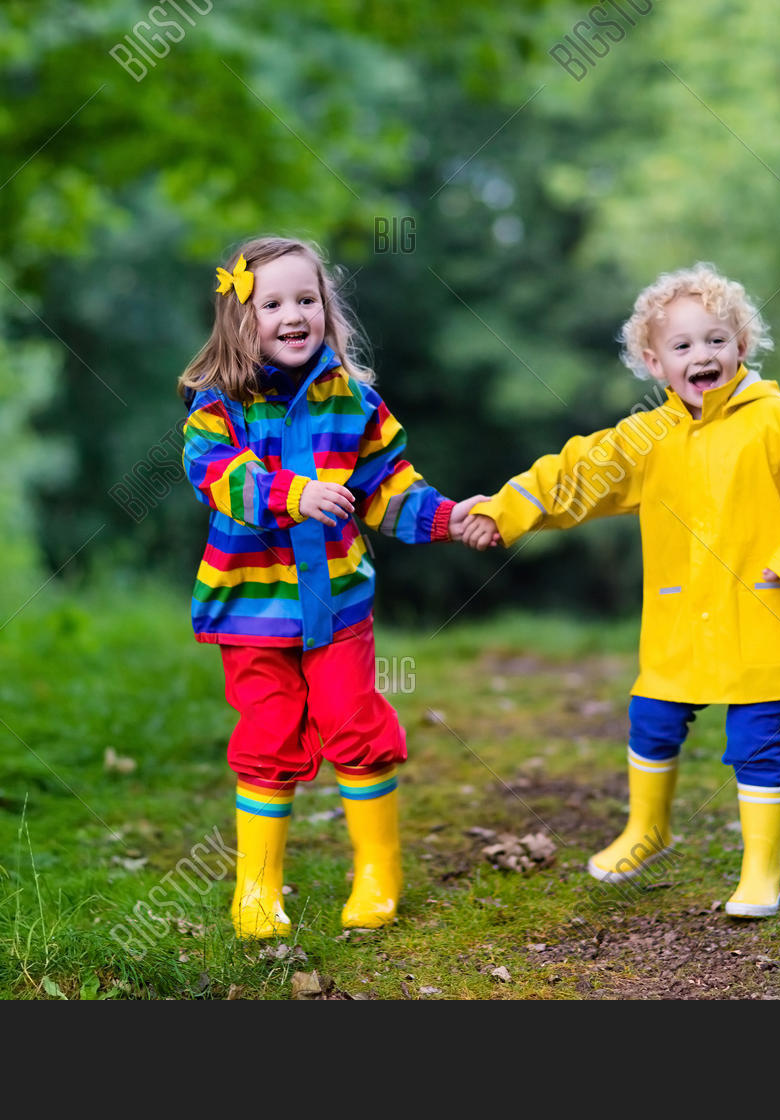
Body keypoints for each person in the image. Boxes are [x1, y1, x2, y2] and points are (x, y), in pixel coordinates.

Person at [466, 263, 780, 917]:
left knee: (758, 741)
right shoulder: (650, 438)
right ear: (655, 363)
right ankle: (648, 830)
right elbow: (579, 474)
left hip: (767, 615)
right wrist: (506, 509)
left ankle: (760, 872)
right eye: (682, 346)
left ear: (742, 346)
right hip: (684, 619)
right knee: (651, 719)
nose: (702, 356)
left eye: (716, 340)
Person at [180, 235, 488, 939]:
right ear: (240, 319)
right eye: (273, 303)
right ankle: (257, 887)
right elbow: (219, 477)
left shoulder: (355, 403)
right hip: (251, 608)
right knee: (266, 731)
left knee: (354, 721)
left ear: (327, 310)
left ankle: (378, 869)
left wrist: (449, 518)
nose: (294, 314)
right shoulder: (217, 407)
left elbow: (388, 487)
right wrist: (296, 495)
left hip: (337, 606)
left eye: (307, 299)